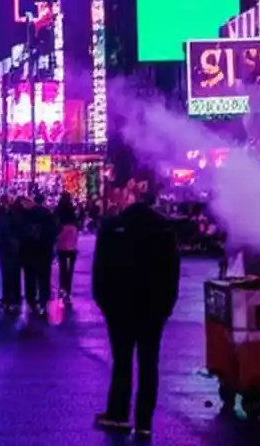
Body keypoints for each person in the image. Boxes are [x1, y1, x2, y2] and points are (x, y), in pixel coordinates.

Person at [91, 184, 180, 438]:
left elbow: (101, 269)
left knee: (122, 361)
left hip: (119, 305)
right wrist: (167, 304)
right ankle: (144, 421)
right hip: (153, 307)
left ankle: (118, 413)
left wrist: (102, 300)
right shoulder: (163, 229)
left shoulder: (113, 228)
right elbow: (173, 271)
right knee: (149, 363)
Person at [18, 196, 57, 317]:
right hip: (43, 251)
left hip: (29, 252)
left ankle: (31, 302)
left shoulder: (24, 216)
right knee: (43, 278)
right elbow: (54, 231)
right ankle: (43, 302)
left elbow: (20, 233)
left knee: (30, 278)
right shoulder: (47, 214)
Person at [0, 198, 22, 314]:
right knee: (14, 274)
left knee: (7, 274)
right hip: (15, 248)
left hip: (5, 248)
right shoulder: (17, 217)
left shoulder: (2, 218)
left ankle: (7, 298)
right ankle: (14, 298)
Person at [55, 193, 81, 303]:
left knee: (63, 266)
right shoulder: (72, 209)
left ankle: (63, 288)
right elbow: (77, 222)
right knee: (70, 268)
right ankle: (68, 289)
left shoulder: (58, 210)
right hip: (72, 237)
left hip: (62, 236)